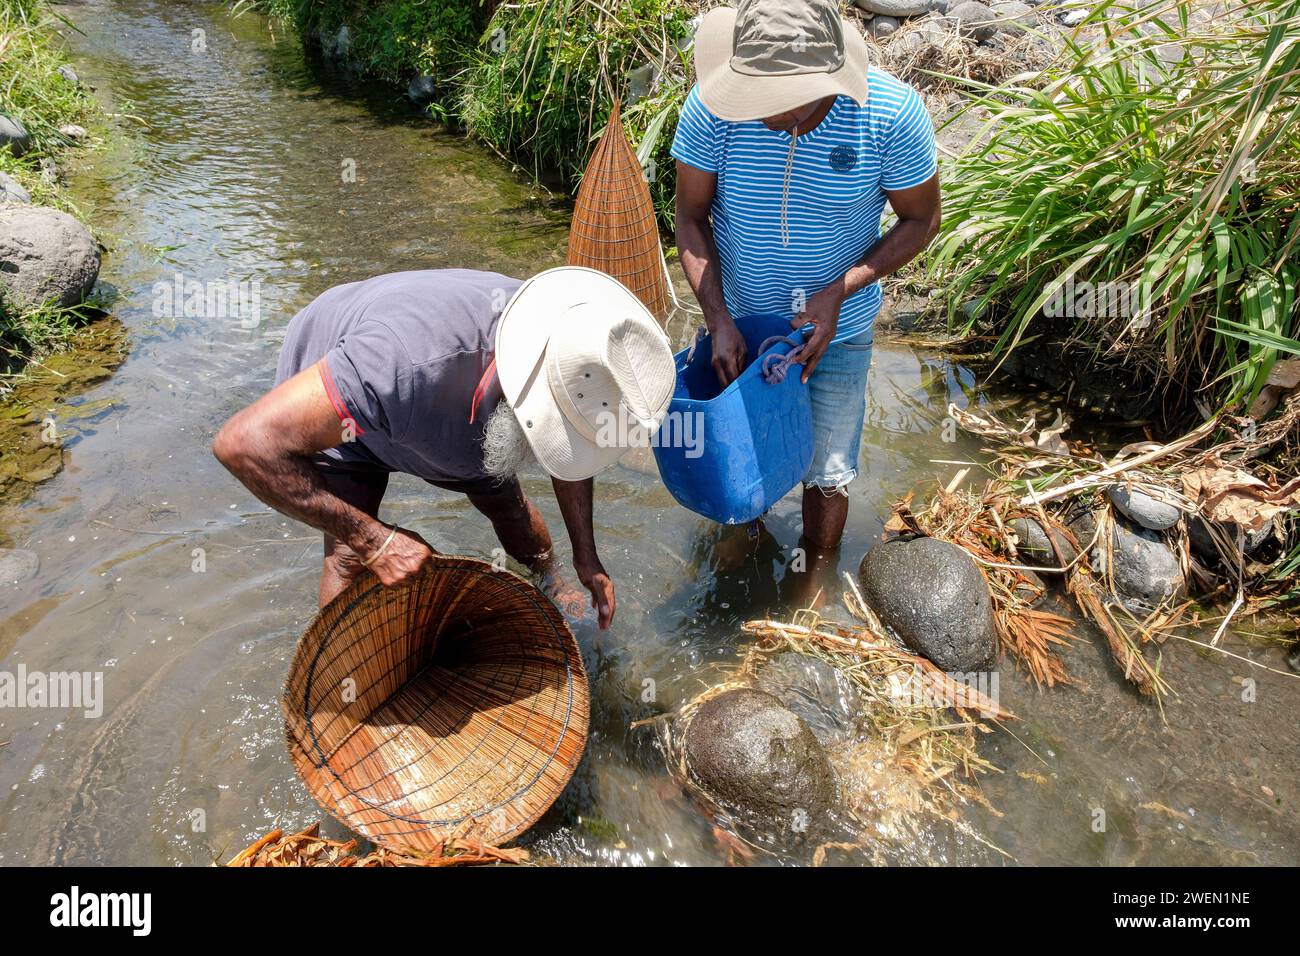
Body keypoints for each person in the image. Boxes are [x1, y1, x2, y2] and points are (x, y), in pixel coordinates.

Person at [212, 266, 676, 628]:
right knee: (348, 557)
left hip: (443, 408)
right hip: (347, 417)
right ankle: (340, 694)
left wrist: (584, 554)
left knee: (509, 509)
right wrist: (374, 540)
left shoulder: (570, 347)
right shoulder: (395, 364)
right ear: (524, 399)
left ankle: (548, 575)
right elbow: (242, 444)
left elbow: (574, 435)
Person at [672, 0, 941, 562]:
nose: (751, 109)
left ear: (823, 83)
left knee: (828, 471)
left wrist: (841, 289)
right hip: (742, 326)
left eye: (768, 101)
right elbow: (691, 218)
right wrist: (717, 318)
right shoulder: (712, 107)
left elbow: (922, 220)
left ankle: (811, 581)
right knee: (744, 453)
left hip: (835, 333)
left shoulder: (888, 114)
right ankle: (746, 547)